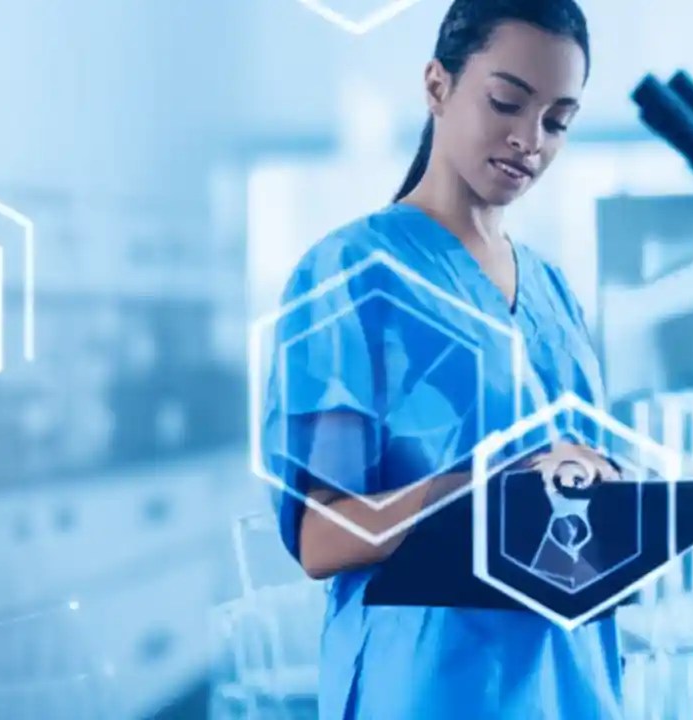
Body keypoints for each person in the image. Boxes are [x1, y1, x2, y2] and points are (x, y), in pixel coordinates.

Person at [262, 0, 626, 717]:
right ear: (436, 85)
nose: (530, 140)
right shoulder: (352, 273)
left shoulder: (553, 289)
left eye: (557, 121)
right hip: (430, 687)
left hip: (570, 681)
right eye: (506, 103)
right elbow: (320, 534)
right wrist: (491, 487)